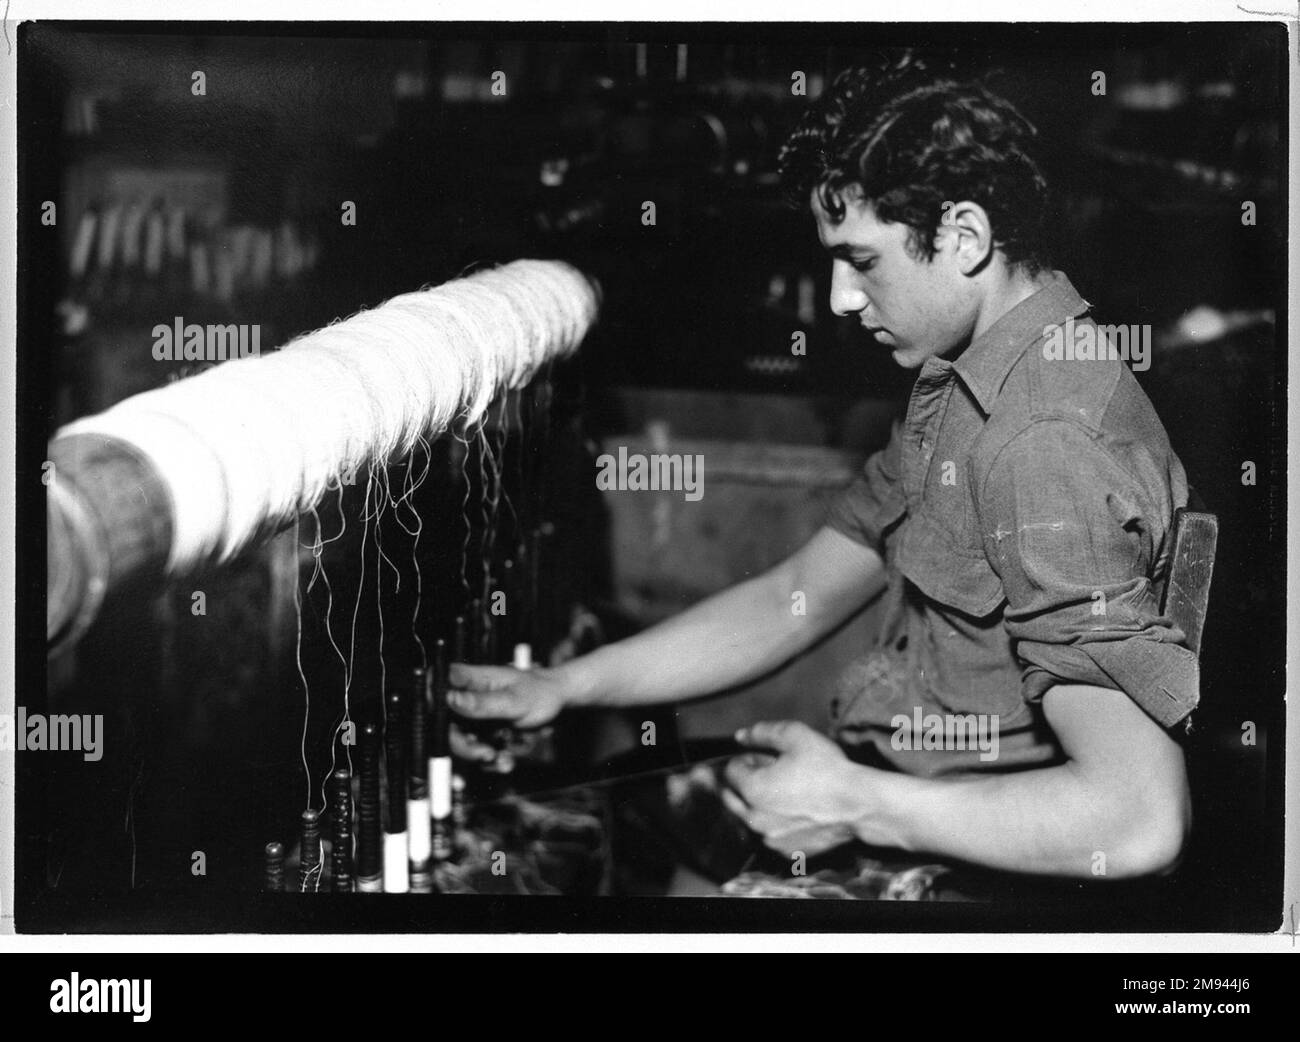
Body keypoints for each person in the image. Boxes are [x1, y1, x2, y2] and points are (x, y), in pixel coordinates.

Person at [450, 53, 1197, 882]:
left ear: (966, 238)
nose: (840, 298)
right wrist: (564, 687)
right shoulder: (971, 379)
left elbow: (1138, 819)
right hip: (915, 796)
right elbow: (794, 598)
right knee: (619, 792)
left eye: (864, 260)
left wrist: (851, 803)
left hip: (980, 869)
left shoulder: (1041, 445)